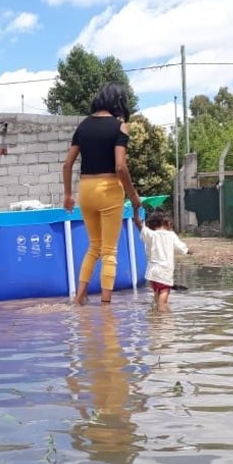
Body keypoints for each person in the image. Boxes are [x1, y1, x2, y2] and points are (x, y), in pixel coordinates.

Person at [63, 83, 143, 306]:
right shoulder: (120, 127)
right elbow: (120, 167)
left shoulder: (83, 126)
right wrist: (134, 197)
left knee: (94, 247)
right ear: (119, 102)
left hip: (86, 190)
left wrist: (68, 195)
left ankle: (80, 296)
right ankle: (106, 304)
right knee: (109, 251)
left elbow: (67, 163)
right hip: (108, 190)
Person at [135, 210, 192, 310]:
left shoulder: (151, 235)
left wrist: (135, 210)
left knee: (157, 291)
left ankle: (155, 316)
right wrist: (188, 251)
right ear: (167, 222)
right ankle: (162, 314)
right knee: (164, 292)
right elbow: (181, 247)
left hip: (152, 271)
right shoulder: (171, 235)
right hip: (164, 270)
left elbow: (138, 224)